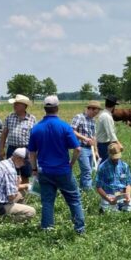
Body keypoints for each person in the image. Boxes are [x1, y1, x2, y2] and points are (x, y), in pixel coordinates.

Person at [28, 96, 86, 234]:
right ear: (57, 108)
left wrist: (34, 168)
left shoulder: (36, 129)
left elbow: (32, 153)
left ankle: (47, 229)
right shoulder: (65, 127)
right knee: (74, 200)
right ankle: (79, 229)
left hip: (44, 171)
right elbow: (78, 149)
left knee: (47, 202)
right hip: (63, 170)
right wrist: (71, 163)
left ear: (45, 109)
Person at [0, 148, 36, 222]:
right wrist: (17, 184)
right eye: (25, 162)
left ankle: (16, 211)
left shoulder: (2, 163)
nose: (24, 164)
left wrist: (26, 185)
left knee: (23, 192)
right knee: (32, 212)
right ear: (18, 158)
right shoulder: (11, 171)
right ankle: (4, 221)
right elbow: (11, 197)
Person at [0, 95, 36, 183]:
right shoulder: (9, 117)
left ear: (24, 106)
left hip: (26, 150)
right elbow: (4, 134)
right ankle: (13, 189)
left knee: (25, 174)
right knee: (11, 172)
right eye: (14, 104)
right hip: (12, 149)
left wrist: (35, 151)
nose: (14, 106)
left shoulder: (32, 119)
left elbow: (35, 136)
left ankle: (24, 190)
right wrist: (1, 149)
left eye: (17, 104)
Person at [96, 142, 131, 212]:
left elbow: (128, 183)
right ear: (109, 154)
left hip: (121, 194)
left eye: (118, 157)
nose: (116, 159)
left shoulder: (124, 166)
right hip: (109, 195)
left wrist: (128, 196)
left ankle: (122, 207)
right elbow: (98, 187)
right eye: (114, 158)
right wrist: (108, 199)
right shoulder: (102, 167)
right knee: (111, 212)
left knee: (130, 208)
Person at [71, 100, 101, 190]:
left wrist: (96, 150)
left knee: (89, 170)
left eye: (97, 113)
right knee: (87, 170)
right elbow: (72, 131)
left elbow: (94, 137)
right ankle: (88, 190)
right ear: (90, 109)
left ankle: (82, 188)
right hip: (81, 148)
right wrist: (84, 138)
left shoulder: (93, 121)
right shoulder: (79, 117)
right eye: (95, 112)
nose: (95, 115)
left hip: (91, 148)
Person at [95, 96, 121, 162]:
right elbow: (110, 132)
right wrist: (118, 144)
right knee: (104, 163)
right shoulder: (106, 116)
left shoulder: (104, 114)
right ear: (114, 106)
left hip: (102, 143)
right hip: (103, 144)